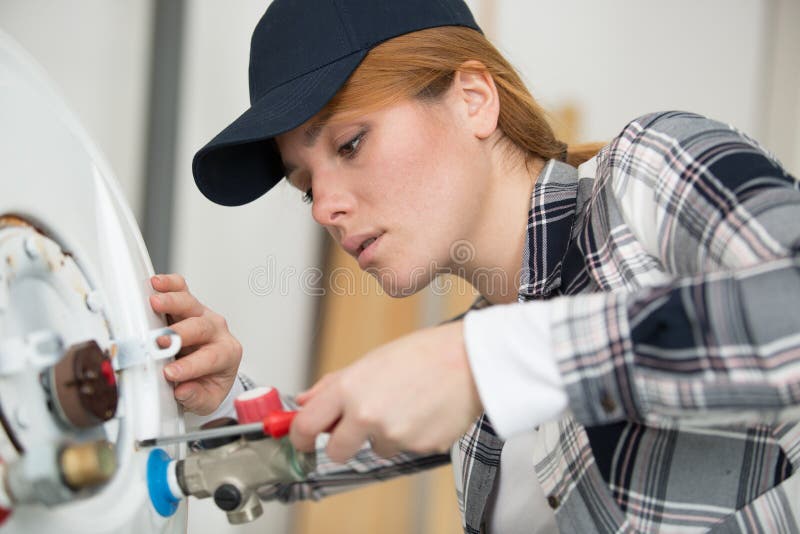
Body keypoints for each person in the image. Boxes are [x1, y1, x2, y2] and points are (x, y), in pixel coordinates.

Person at [148, 1, 800, 532]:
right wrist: (221, 402)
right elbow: (321, 445)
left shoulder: (645, 173)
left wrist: (485, 360)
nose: (324, 208)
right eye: (305, 184)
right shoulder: (487, 362)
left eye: (350, 142)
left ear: (472, 98)